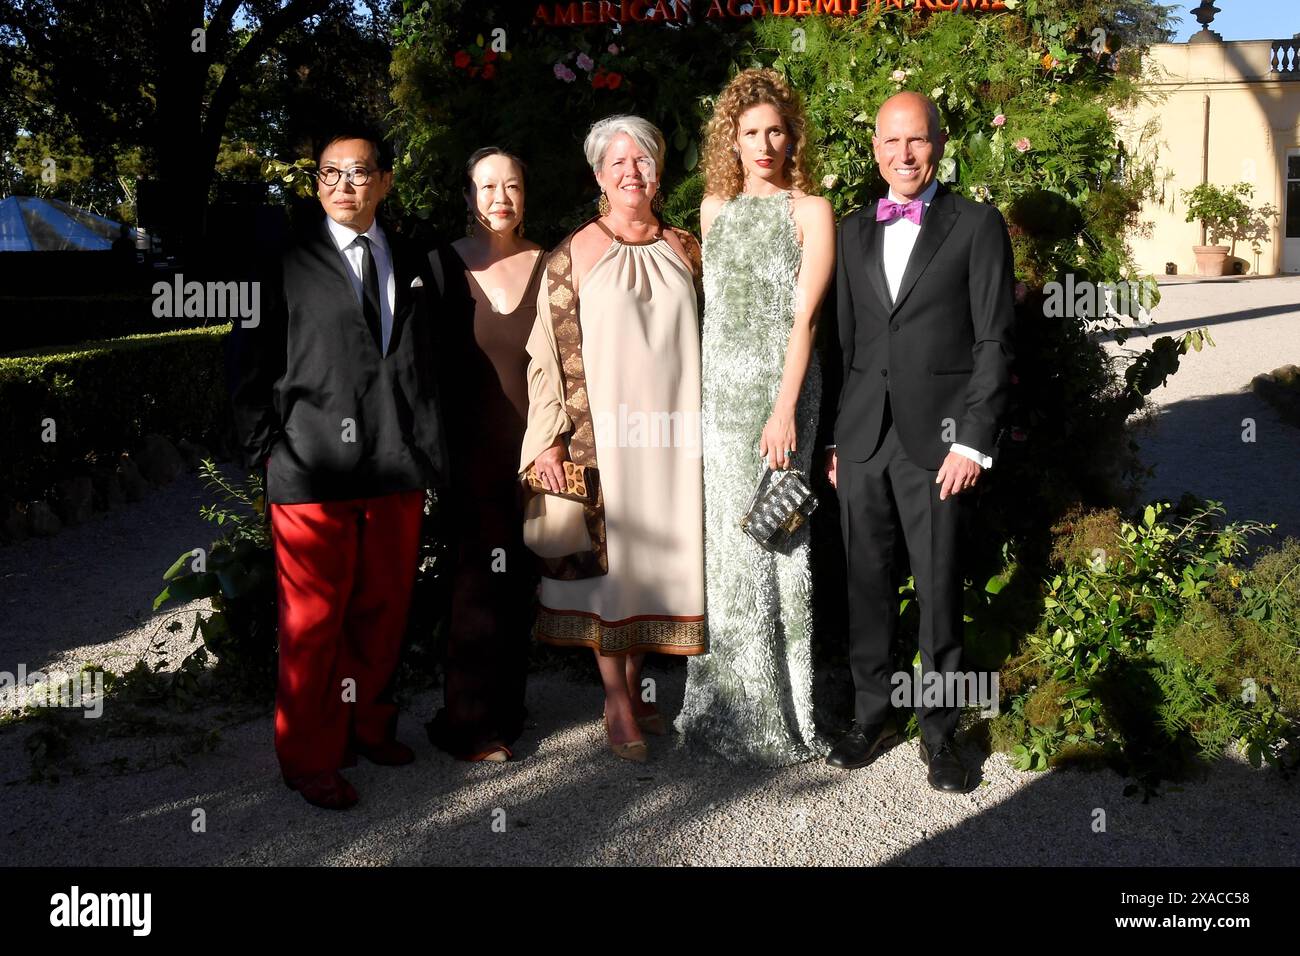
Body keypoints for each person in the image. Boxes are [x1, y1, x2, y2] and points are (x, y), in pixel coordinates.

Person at [229, 124, 448, 809]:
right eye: (328, 173)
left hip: (394, 468)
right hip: (309, 471)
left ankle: (368, 725)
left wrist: (430, 452)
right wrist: (267, 450)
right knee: (313, 621)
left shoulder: (415, 259)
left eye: (358, 173)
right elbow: (246, 366)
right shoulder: (283, 262)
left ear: (383, 181)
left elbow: (428, 364)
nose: (343, 186)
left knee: (383, 612)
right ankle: (310, 755)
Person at [820, 92, 1015, 792]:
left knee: (937, 589)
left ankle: (940, 732)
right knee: (864, 583)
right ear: (874, 149)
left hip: (940, 444)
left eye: (917, 141)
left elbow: (995, 339)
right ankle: (872, 715)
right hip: (863, 438)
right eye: (890, 142)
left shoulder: (976, 225)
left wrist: (973, 441)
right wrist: (837, 442)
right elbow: (841, 345)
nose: (903, 155)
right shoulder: (849, 232)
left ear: (938, 143)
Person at [521, 115, 705, 762]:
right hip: (604, 440)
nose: (632, 172)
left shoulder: (687, 247)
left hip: (676, 437)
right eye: (618, 163)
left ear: (658, 171)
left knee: (654, 568)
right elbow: (544, 357)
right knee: (610, 570)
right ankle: (619, 703)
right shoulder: (571, 255)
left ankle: (632, 686)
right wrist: (549, 440)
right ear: (598, 175)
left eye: (644, 160)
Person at [675, 68, 836, 766]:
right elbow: (715, 317)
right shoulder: (713, 210)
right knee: (727, 554)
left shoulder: (813, 211)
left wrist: (784, 408)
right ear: (730, 140)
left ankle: (785, 711)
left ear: (791, 136)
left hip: (782, 398)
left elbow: (806, 317)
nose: (763, 143)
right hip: (722, 399)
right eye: (750, 133)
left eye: (775, 130)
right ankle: (728, 708)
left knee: (776, 541)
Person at [425, 147, 544, 763]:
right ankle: (467, 723)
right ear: (469, 195)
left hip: (532, 453)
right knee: (474, 582)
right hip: (469, 455)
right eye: (488, 186)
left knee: (517, 580)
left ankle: (508, 709)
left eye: (513, 185)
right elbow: (418, 370)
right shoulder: (440, 269)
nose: (501, 197)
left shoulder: (549, 266)